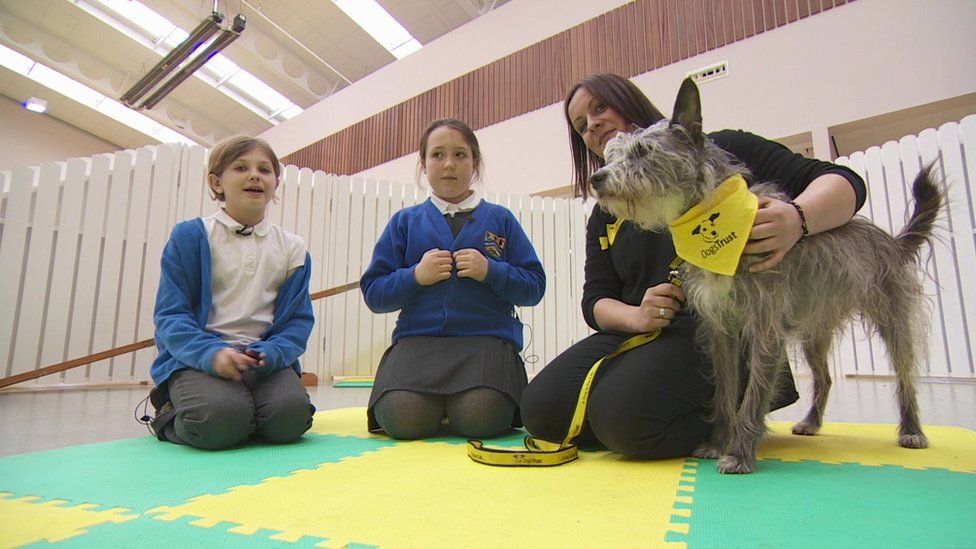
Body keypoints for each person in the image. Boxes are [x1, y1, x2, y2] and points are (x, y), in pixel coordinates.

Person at [520, 74, 867, 459]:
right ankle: (641, 411)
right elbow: (595, 300)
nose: (592, 125)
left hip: (723, 328)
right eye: (581, 126)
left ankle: (735, 419)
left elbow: (845, 181)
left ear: (628, 100)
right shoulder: (608, 209)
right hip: (645, 333)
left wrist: (798, 219)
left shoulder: (720, 150)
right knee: (540, 410)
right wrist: (637, 316)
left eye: (599, 108)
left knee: (622, 421)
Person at [361, 118, 546, 440]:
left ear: (475, 163)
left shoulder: (501, 219)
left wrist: (492, 270)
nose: (449, 165)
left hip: (486, 343)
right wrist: (416, 276)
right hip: (417, 342)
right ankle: (438, 405)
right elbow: (375, 294)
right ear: (423, 164)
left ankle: (454, 406)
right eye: (438, 155)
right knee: (402, 419)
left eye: (460, 155)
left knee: (483, 418)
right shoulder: (405, 222)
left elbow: (534, 287)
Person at [147, 135, 315, 450]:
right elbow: (171, 316)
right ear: (217, 182)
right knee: (218, 422)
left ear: (275, 183)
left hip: (264, 361)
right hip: (199, 359)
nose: (255, 175)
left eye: (265, 170)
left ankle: (245, 413)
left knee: (291, 421)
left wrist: (275, 352)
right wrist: (210, 354)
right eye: (241, 167)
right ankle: (171, 413)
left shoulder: (293, 248)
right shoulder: (190, 236)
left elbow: (298, 321)